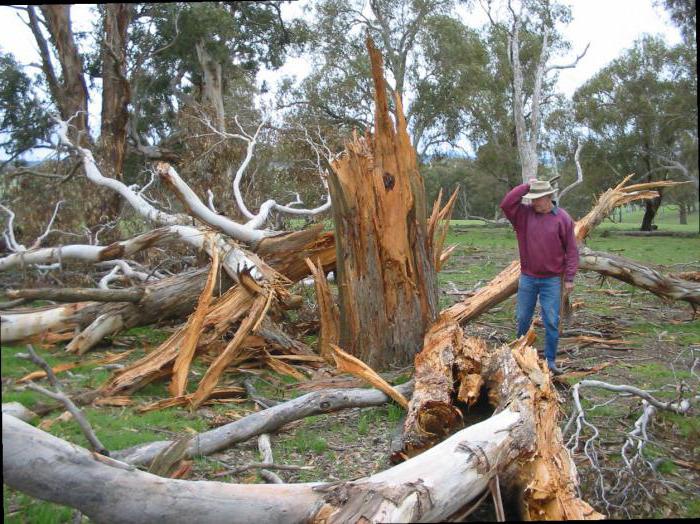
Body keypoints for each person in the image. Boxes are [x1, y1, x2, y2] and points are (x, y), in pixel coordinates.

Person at [499, 178, 579, 375]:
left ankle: (550, 361)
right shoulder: (523, 215)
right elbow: (506, 203)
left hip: (552, 280)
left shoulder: (563, 218)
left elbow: (572, 250)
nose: (533, 203)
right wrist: (527, 185)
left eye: (537, 199)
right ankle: (520, 354)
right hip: (527, 278)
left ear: (549, 197)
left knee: (551, 320)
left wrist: (569, 278)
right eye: (531, 198)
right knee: (522, 317)